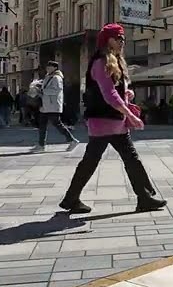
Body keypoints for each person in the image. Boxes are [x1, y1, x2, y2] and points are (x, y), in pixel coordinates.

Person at [60, 24, 165, 213]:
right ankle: (71, 198)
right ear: (108, 40)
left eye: (123, 38)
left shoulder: (115, 61)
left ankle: (144, 197)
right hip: (103, 121)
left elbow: (114, 92)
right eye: (118, 38)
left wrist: (128, 95)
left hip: (114, 122)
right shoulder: (101, 62)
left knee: (126, 159)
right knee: (97, 161)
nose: (122, 42)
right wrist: (131, 115)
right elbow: (109, 95)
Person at [33, 61, 79, 151]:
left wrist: (43, 91)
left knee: (57, 124)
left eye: (49, 67)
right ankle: (41, 145)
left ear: (55, 68)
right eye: (47, 67)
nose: (47, 68)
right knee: (42, 125)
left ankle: (72, 141)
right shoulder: (48, 76)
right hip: (46, 105)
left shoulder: (57, 78)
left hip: (53, 106)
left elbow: (56, 91)